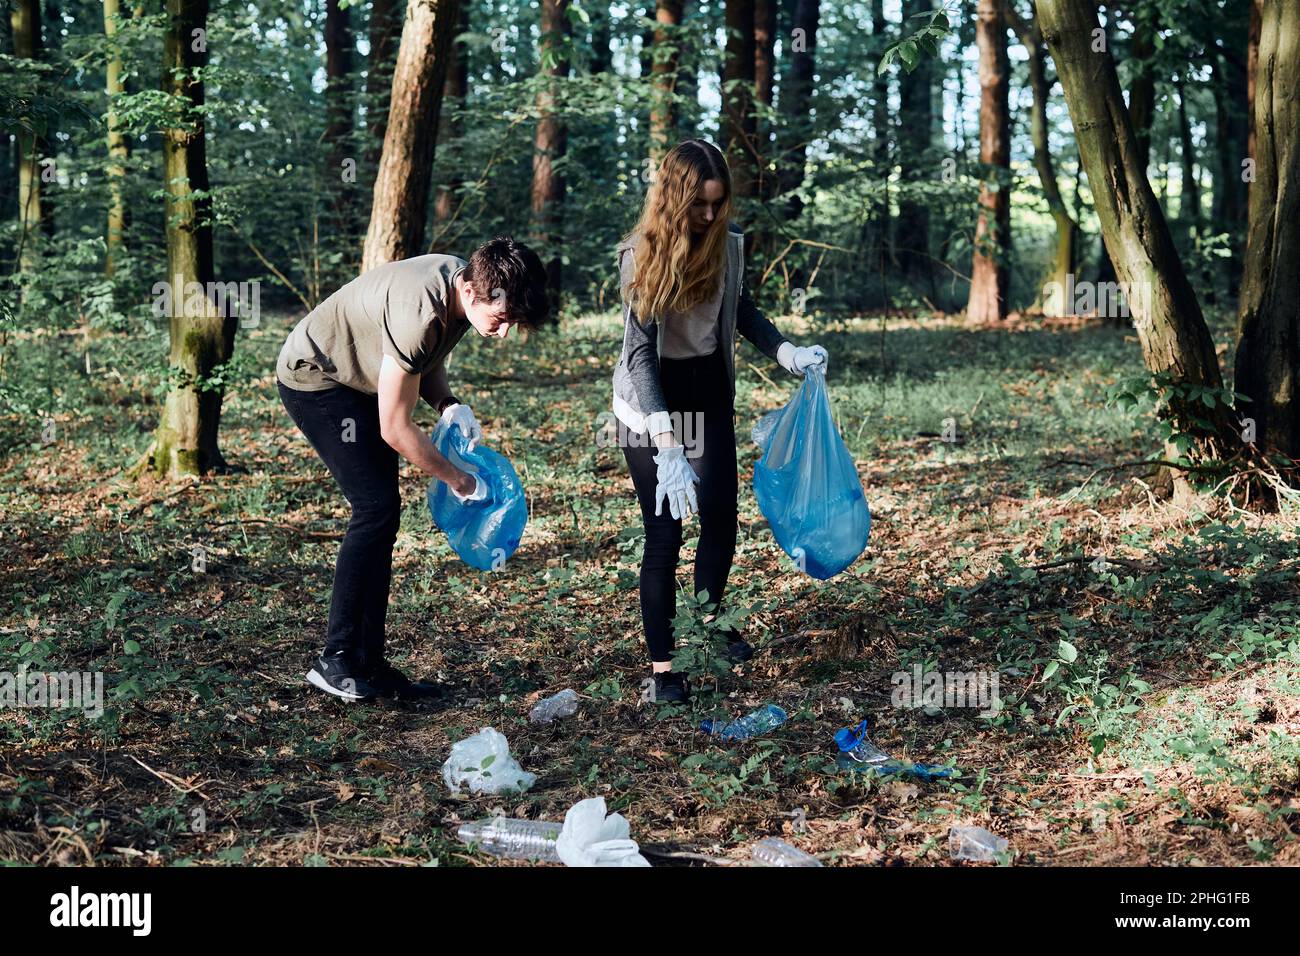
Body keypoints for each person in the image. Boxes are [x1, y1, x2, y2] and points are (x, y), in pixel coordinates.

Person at [277, 237, 552, 702]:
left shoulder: (464, 280)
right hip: (317, 378)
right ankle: (337, 659)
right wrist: (458, 479)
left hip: (360, 377)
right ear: (472, 293)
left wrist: (447, 403)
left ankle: (369, 664)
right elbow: (395, 428)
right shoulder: (420, 313)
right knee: (375, 507)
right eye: (502, 320)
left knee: (383, 511)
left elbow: (428, 357)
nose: (503, 333)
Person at [611, 139, 828, 703]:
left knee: (721, 518)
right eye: (699, 205)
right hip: (647, 401)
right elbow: (638, 356)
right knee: (664, 534)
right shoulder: (641, 254)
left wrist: (786, 352)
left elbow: (742, 308)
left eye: (718, 203)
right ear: (674, 200)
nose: (709, 215)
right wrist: (665, 441)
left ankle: (709, 619)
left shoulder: (728, 246)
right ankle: (663, 672)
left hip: (706, 388)